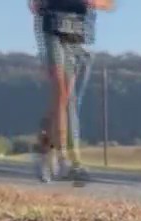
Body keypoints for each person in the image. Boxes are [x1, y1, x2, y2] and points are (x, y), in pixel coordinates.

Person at [31, 0, 114, 184]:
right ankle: (62, 159)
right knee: (60, 92)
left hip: (77, 32)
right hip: (52, 27)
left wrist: (95, 3)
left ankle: (44, 148)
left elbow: (108, 4)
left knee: (65, 99)